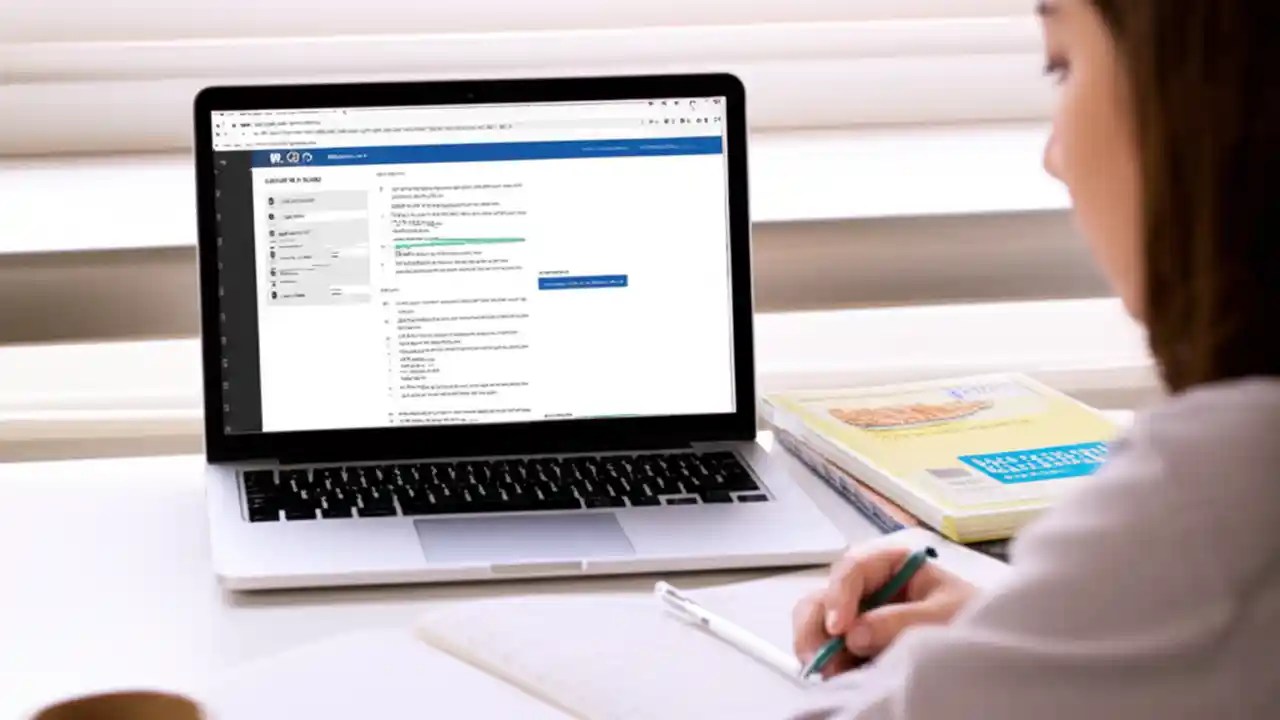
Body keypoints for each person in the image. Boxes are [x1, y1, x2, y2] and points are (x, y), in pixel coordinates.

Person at [790, 1, 1278, 717]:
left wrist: (1004, 649)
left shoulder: (1230, 485)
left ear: (1200, 98)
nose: (1054, 156)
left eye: (1063, 66)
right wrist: (1025, 626)